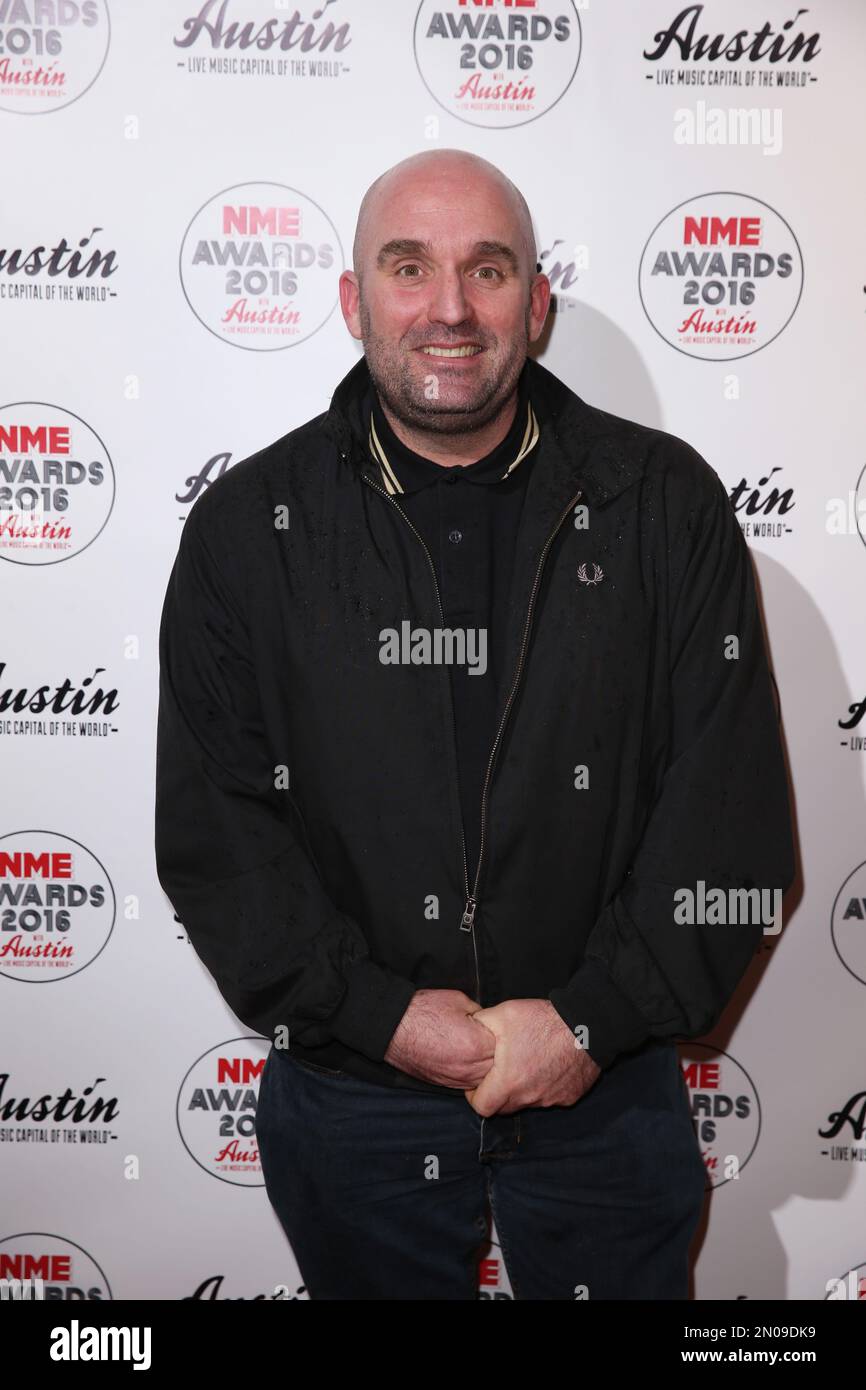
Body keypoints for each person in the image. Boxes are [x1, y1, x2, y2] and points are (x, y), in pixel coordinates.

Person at [154, 148, 796, 1300]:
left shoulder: (665, 505)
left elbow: (729, 817)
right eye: (409, 267)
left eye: (485, 269)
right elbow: (217, 833)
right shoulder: (251, 531)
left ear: (535, 304)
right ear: (354, 302)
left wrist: (587, 1023)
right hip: (352, 1100)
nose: (448, 307)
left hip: (607, 1092)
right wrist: (379, 1015)